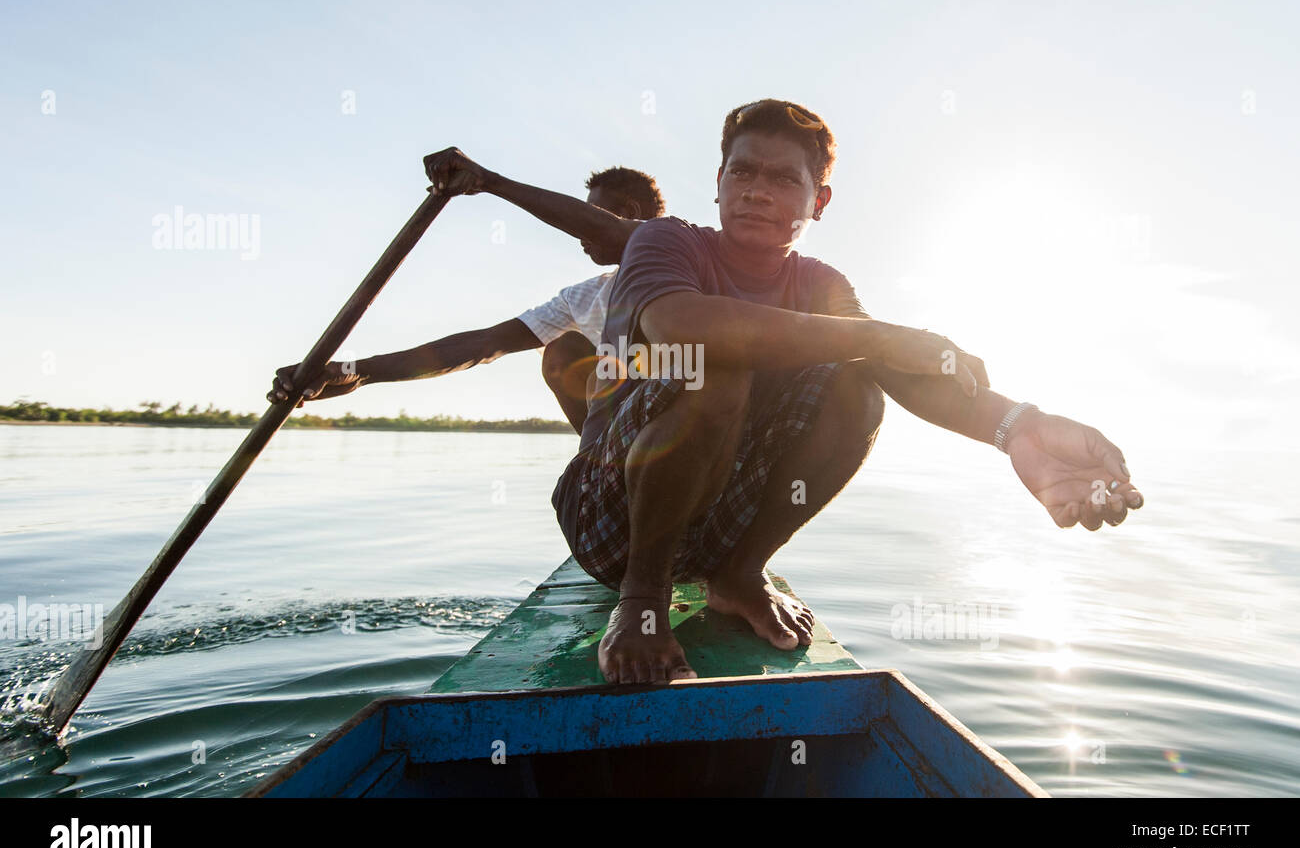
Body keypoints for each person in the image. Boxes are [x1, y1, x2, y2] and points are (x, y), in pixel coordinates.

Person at [551, 98, 1145, 684]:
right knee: (721, 360)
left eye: (784, 179)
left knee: (858, 384)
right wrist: (883, 334)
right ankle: (643, 598)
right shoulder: (665, 241)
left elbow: (892, 368)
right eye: (743, 171)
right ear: (718, 181)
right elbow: (682, 326)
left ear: (819, 202)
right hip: (609, 516)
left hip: (715, 523)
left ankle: (740, 573)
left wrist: (1020, 426)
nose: (757, 190)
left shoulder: (820, 283)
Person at [267, 154, 662, 432]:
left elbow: (612, 232)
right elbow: (481, 344)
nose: (579, 235)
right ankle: (609, 481)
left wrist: (489, 181)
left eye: (588, 220)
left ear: (628, 213)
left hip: (692, 437)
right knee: (563, 352)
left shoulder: (692, 251)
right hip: (629, 449)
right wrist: (358, 372)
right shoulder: (583, 298)